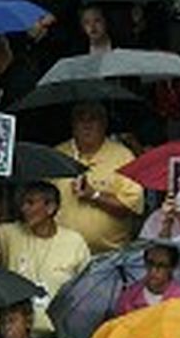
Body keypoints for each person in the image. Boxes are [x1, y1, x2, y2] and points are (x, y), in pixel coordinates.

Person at [0, 177, 91, 337]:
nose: (24, 209)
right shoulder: (12, 234)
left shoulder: (74, 241)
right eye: (23, 203)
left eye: (30, 203)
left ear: (50, 207)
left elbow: (87, 291)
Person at [54, 102, 143, 254]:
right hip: (62, 254)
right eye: (81, 119)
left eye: (93, 119)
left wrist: (94, 195)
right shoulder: (57, 155)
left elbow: (129, 208)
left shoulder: (123, 156)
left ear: (104, 124)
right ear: (73, 125)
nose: (87, 125)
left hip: (107, 255)